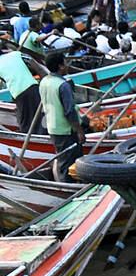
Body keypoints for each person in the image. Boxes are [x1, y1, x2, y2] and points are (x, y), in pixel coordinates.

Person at [38, 52, 85, 182]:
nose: (67, 65)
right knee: (71, 164)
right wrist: (79, 131)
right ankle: (70, 188)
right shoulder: (62, 86)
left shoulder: (44, 81)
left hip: (53, 128)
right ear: (60, 66)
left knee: (63, 159)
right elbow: (70, 112)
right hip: (66, 129)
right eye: (65, 62)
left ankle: (65, 183)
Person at [0, 49, 41, 135]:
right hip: (34, 86)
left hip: (19, 92)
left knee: (26, 121)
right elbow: (35, 65)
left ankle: (30, 140)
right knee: (38, 116)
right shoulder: (16, 54)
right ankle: (39, 134)